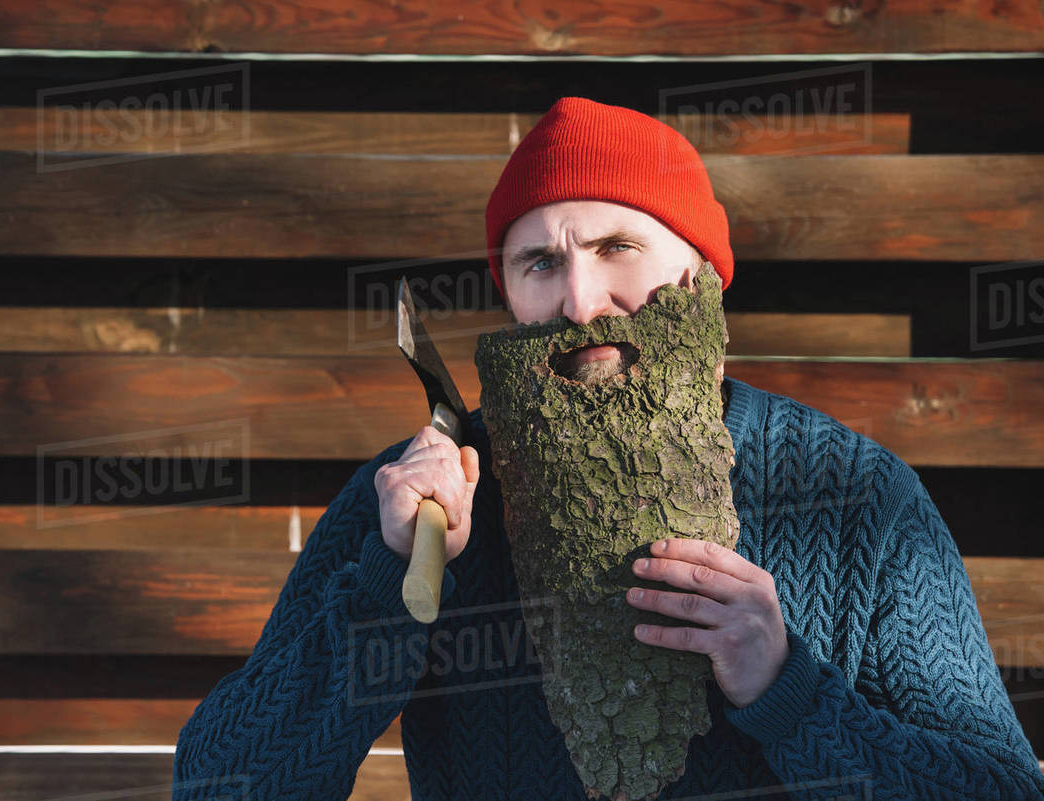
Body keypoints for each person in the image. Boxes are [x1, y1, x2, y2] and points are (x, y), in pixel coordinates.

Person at [172, 96, 1044, 800]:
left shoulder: (854, 494)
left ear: (698, 271)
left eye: (617, 246)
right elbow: (219, 783)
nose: (581, 301)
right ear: (509, 293)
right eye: (540, 263)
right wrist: (388, 595)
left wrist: (787, 688)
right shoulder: (418, 504)